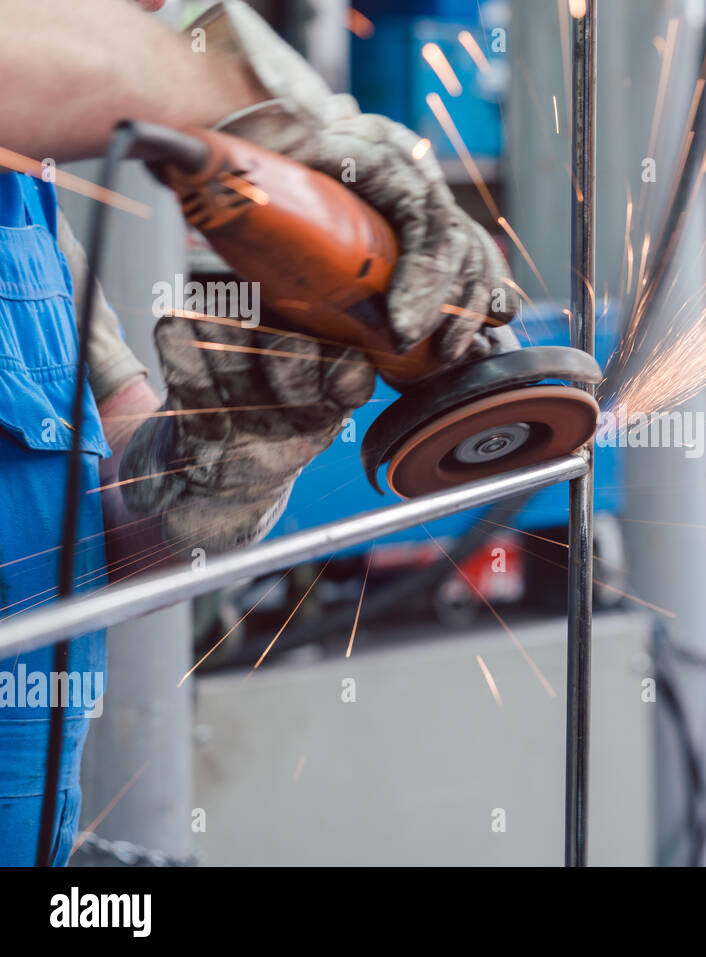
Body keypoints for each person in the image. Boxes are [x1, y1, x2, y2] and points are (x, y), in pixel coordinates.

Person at [0, 0, 516, 865]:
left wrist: (225, 459)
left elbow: (96, 537)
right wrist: (241, 98)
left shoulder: (23, 205)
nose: (156, 9)